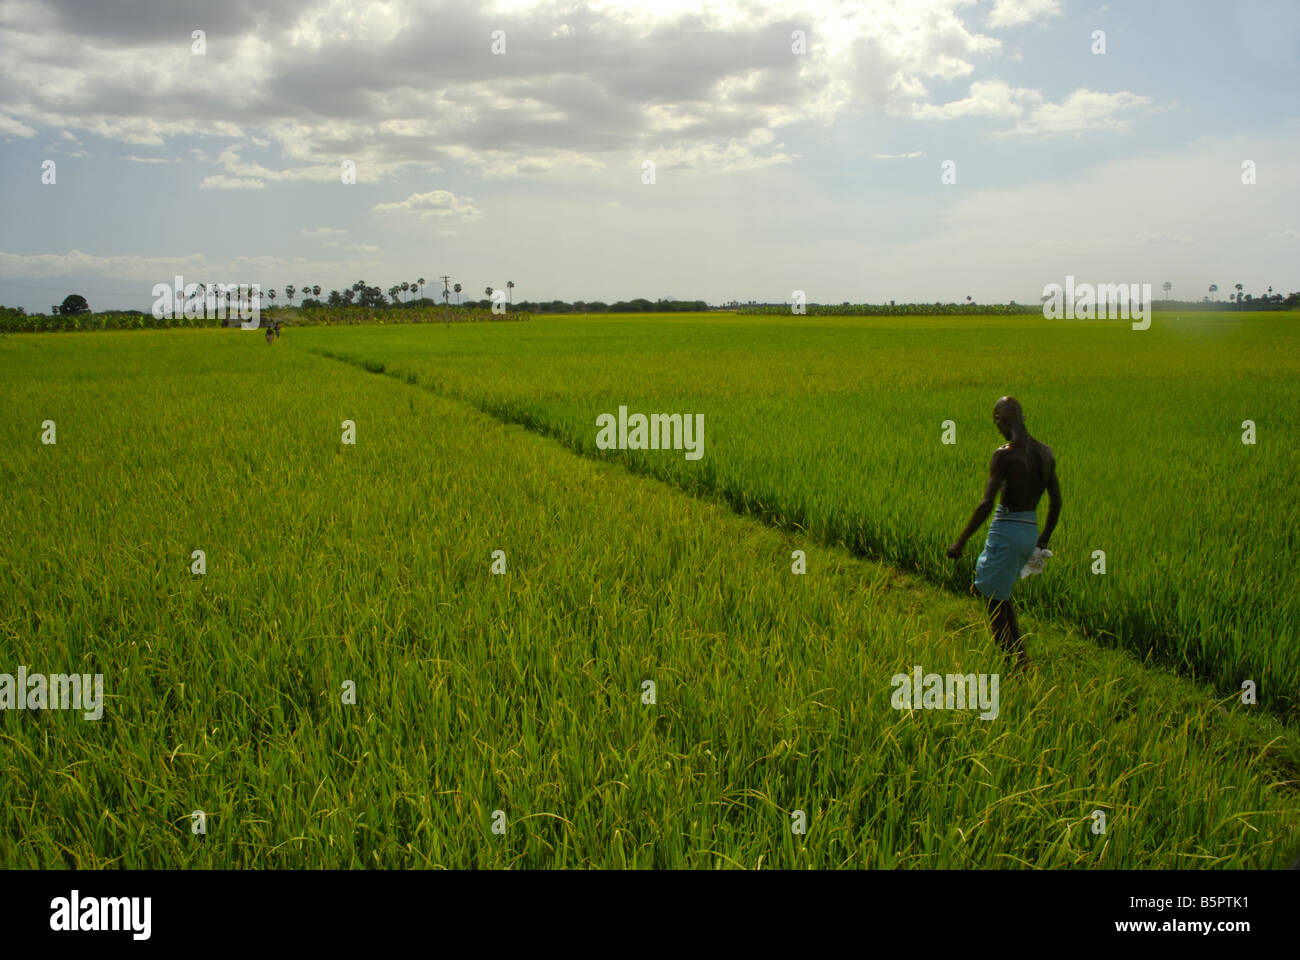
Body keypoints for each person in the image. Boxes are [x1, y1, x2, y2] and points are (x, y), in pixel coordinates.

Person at [946, 396, 1061, 669]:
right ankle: (1021, 657)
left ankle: (1014, 667)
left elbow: (986, 504)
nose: (996, 428)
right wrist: (1042, 539)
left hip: (1006, 530)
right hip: (1029, 530)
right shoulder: (1045, 453)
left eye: (995, 421)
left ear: (1002, 420)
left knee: (992, 603)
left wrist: (960, 541)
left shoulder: (1004, 454)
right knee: (1002, 594)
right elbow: (1056, 502)